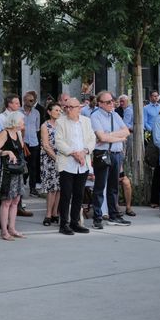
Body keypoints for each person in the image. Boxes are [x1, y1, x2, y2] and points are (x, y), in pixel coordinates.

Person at [90, 91, 131, 230]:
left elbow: (126, 131)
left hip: (116, 153)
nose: (111, 104)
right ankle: (97, 217)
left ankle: (114, 215)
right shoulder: (95, 116)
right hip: (102, 153)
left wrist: (110, 135)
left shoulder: (115, 114)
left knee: (114, 186)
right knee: (100, 186)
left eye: (112, 101)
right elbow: (101, 137)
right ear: (100, 104)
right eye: (108, 102)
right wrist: (117, 137)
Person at [54, 97, 94, 234]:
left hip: (82, 163)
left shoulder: (86, 121)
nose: (68, 109)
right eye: (66, 107)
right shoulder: (60, 122)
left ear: (79, 108)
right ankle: (64, 224)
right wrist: (73, 153)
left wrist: (84, 151)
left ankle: (75, 222)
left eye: (71, 107)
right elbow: (58, 142)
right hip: (67, 164)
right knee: (66, 195)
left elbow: (91, 139)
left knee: (79, 194)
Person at [0, 111, 27, 241]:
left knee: (16, 201)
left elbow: (21, 149)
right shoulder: (4, 133)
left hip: (17, 171)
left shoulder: (18, 133)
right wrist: (7, 152)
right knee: (6, 201)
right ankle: (4, 231)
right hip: (7, 171)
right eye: (22, 120)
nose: (24, 122)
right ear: (15, 121)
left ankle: (12, 228)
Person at [38, 101, 62, 226]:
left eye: (59, 110)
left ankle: (55, 213)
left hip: (62, 158)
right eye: (56, 110)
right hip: (49, 159)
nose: (58, 112)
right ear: (49, 112)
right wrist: (56, 158)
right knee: (51, 188)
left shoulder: (62, 124)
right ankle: (47, 215)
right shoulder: (45, 125)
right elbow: (46, 146)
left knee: (59, 188)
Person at [23, 91, 42, 196]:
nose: (32, 102)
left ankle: (33, 188)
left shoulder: (36, 113)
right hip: (23, 143)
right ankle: (22, 184)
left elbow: (37, 128)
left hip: (34, 143)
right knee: (23, 166)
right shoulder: (19, 113)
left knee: (33, 166)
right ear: (24, 100)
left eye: (33, 100)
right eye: (30, 100)